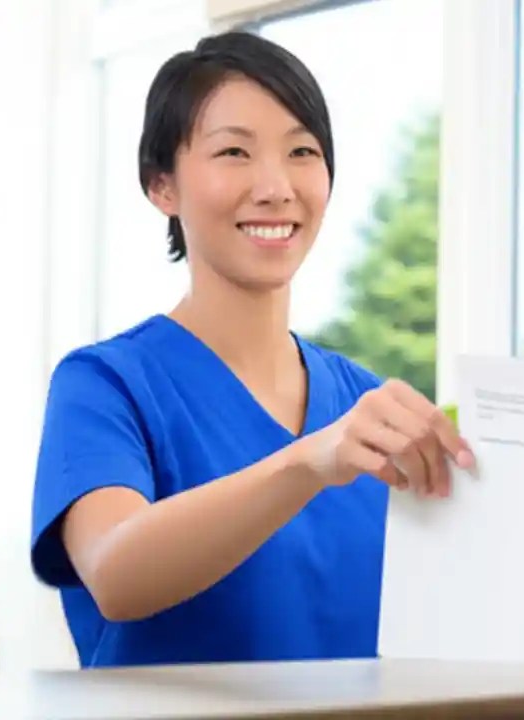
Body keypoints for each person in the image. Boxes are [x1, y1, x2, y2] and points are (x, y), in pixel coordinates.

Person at [30, 31, 474, 668]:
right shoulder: (106, 385)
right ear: (163, 186)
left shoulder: (368, 407)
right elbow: (115, 572)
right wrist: (308, 462)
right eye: (234, 152)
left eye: (302, 151)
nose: (275, 186)